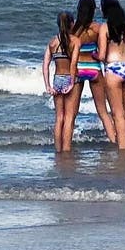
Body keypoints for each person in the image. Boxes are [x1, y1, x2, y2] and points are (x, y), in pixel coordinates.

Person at [66, 0, 117, 143]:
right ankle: (115, 142)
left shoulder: (73, 29)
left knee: (71, 114)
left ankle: (66, 146)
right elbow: (104, 50)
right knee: (103, 112)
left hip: (78, 68)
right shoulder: (98, 28)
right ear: (93, 10)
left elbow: (69, 51)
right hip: (94, 68)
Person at [98, 0, 125, 150]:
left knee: (117, 113)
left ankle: (123, 151)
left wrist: (94, 56)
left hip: (113, 69)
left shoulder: (105, 28)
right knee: (124, 114)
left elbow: (102, 55)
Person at [42, 11, 80, 152]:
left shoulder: (52, 42)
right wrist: (71, 82)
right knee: (69, 118)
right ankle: (66, 150)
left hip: (57, 79)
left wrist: (48, 86)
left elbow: (45, 65)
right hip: (71, 79)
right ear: (71, 24)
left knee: (59, 118)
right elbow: (73, 63)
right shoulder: (75, 41)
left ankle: (58, 150)